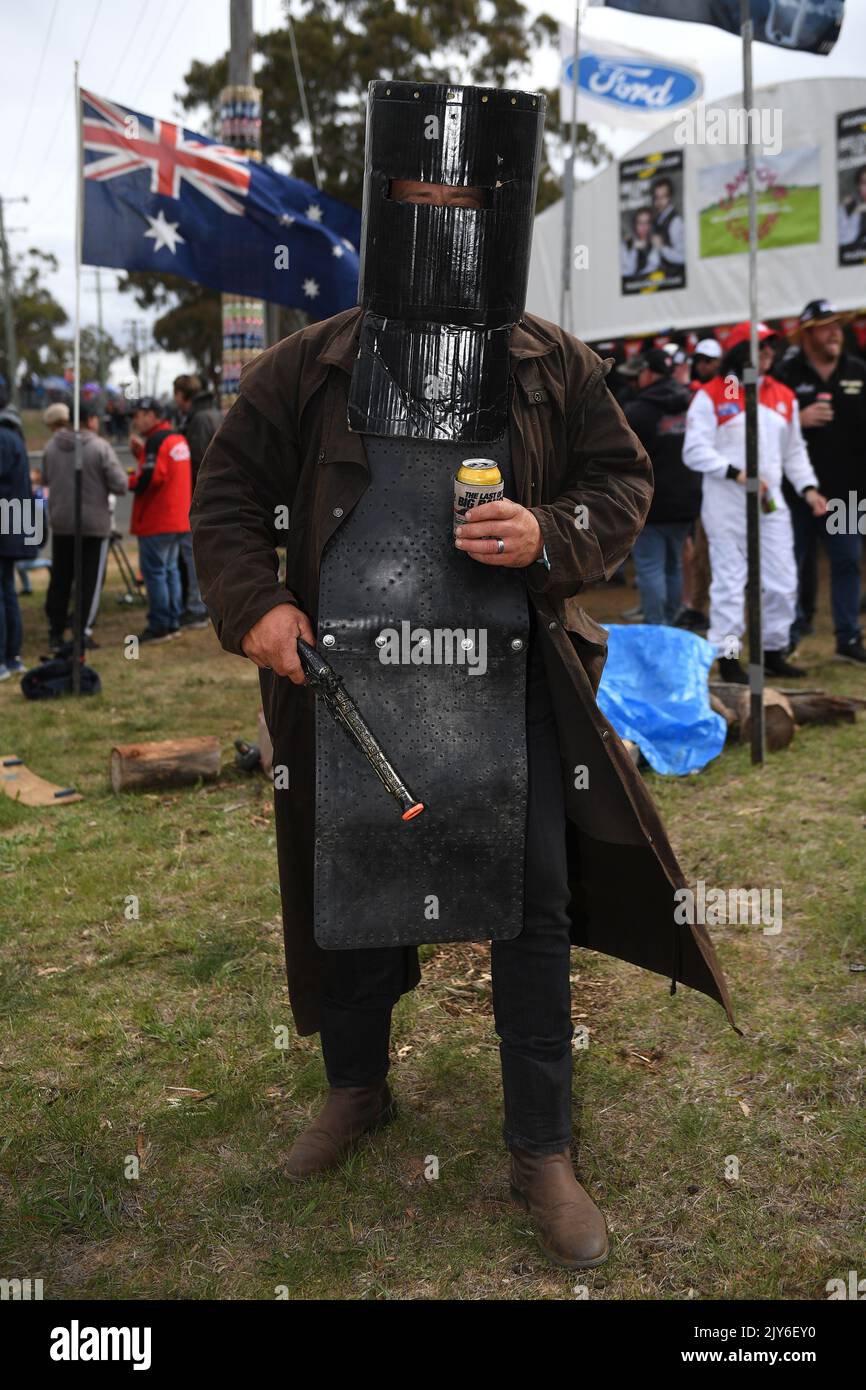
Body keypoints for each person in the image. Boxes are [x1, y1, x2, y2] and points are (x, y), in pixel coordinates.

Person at [191, 79, 735, 1273]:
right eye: (416, 195)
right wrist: (259, 604)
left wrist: (551, 535)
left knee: (530, 900)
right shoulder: (305, 366)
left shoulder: (551, 363)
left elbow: (622, 482)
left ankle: (540, 1147)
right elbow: (227, 498)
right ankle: (355, 1087)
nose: (440, 216)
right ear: (385, 203)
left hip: (508, 682)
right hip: (346, 684)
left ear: (497, 209)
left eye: (463, 196)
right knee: (351, 891)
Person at [683, 321, 827, 684]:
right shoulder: (713, 393)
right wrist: (734, 472)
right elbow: (694, 450)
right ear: (739, 351)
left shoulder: (784, 395)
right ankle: (729, 658)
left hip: (771, 500)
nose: (768, 354)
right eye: (760, 347)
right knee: (730, 581)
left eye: (770, 348)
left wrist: (809, 488)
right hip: (726, 499)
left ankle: (773, 650)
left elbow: (794, 452)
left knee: (783, 580)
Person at [777, 299, 866, 666]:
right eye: (826, 327)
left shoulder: (858, 371)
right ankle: (789, 636)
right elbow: (764, 428)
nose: (835, 333)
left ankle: (848, 638)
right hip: (796, 493)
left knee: (847, 561)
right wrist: (798, 417)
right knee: (793, 564)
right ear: (807, 333)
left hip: (847, 494)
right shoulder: (785, 375)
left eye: (838, 326)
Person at [41, 401, 127, 652]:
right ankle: (81, 632)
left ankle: (55, 632)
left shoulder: (51, 446)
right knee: (89, 581)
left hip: (62, 522)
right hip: (93, 524)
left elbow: (45, 477)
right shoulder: (100, 447)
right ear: (90, 421)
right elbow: (120, 484)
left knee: (60, 578)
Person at [623, 348, 701, 626]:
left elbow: (622, 456)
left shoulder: (636, 411)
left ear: (649, 373)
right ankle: (670, 621)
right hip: (687, 500)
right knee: (673, 564)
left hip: (651, 502)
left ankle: (658, 628)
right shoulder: (691, 402)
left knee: (650, 567)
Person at [128, 397, 193, 644]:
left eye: (139, 414)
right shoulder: (177, 438)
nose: (135, 420)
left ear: (153, 415)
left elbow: (151, 478)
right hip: (178, 518)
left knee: (156, 572)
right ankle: (173, 620)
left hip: (158, 519)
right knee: (170, 570)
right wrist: (141, 455)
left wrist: (128, 481)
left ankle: (160, 624)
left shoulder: (156, 440)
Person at [173, 374, 222, 630]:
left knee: (195, 554)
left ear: (182, 395)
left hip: (204, 494)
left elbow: (201, 461)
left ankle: (197, 607)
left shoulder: (200, 419)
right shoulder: (212, 413)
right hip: (218, 492)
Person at [0, 405, 33, 679]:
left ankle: (5, 658)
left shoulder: (2, 437)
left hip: (5, 522)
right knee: (8, 589)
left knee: (5, 592)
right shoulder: (15, 436)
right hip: (13, 523)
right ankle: (12, 655)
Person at [650, 176, 685, 278]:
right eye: (656, 197)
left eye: (663, 197)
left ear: (669, 197)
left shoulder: (676, 222)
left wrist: (662, 248)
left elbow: (683, 257)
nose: (659, 202)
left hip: (675, 279)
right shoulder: (657, 219)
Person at [620, 206, 660, 281]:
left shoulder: (656, 244)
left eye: (647, 222)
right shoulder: (625, 244)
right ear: (635, 225)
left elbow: (655, 267)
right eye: (640, 223)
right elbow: (628, 272)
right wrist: (633, 249)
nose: (644, 227)